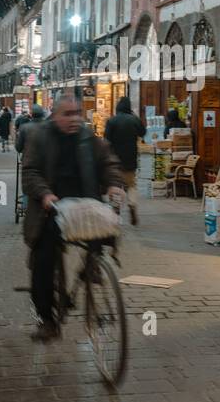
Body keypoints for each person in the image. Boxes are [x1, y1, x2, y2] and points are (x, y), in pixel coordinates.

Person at [21, 93, 124, 341]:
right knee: (44, 260)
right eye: (67, 114)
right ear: (55, 116)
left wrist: (113, 185)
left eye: (77, 113)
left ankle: (93, 265)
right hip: (51, 209)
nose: (74, 119)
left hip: (84, 204)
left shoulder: (90, 139)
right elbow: (31, 171)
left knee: (105, 229)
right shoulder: (39, 137)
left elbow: (108, 164)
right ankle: (47, 319)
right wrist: (45, 195)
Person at [103, 96, 146, 226]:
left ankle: (116, 210)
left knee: (116, 186)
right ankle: (132, 204)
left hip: (114, 161)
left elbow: (106, 141)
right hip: (130, 160)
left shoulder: (112, 121)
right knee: (131, 186)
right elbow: (143, 133)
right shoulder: (134, 120)